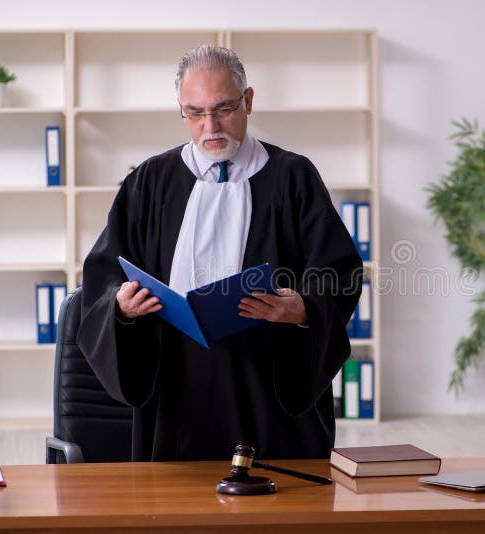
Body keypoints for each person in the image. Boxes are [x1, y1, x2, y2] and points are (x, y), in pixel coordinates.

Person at [77, 45, 362, 462]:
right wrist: (121, 307)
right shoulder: (149, 182)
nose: (210, 125)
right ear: (181, 109)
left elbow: (339, 271)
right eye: (194, 112)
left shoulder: (293, 177)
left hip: (269, 393)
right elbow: (104, 275)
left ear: (247, 100)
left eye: (223, 108)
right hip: (176, 392)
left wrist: (303, 310)